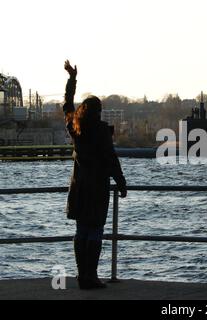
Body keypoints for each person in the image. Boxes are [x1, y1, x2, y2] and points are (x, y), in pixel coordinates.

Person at [63, 60, 127, 290]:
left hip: (79, 187)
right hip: (97, 188)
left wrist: (72, 79)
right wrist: (121, 183)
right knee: (95, 231)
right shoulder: (101, 132)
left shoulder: (74, 126)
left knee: (81, 231)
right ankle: (91, 276)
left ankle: (82, 276)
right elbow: (111, 159)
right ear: (97, 112)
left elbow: (67, 104)